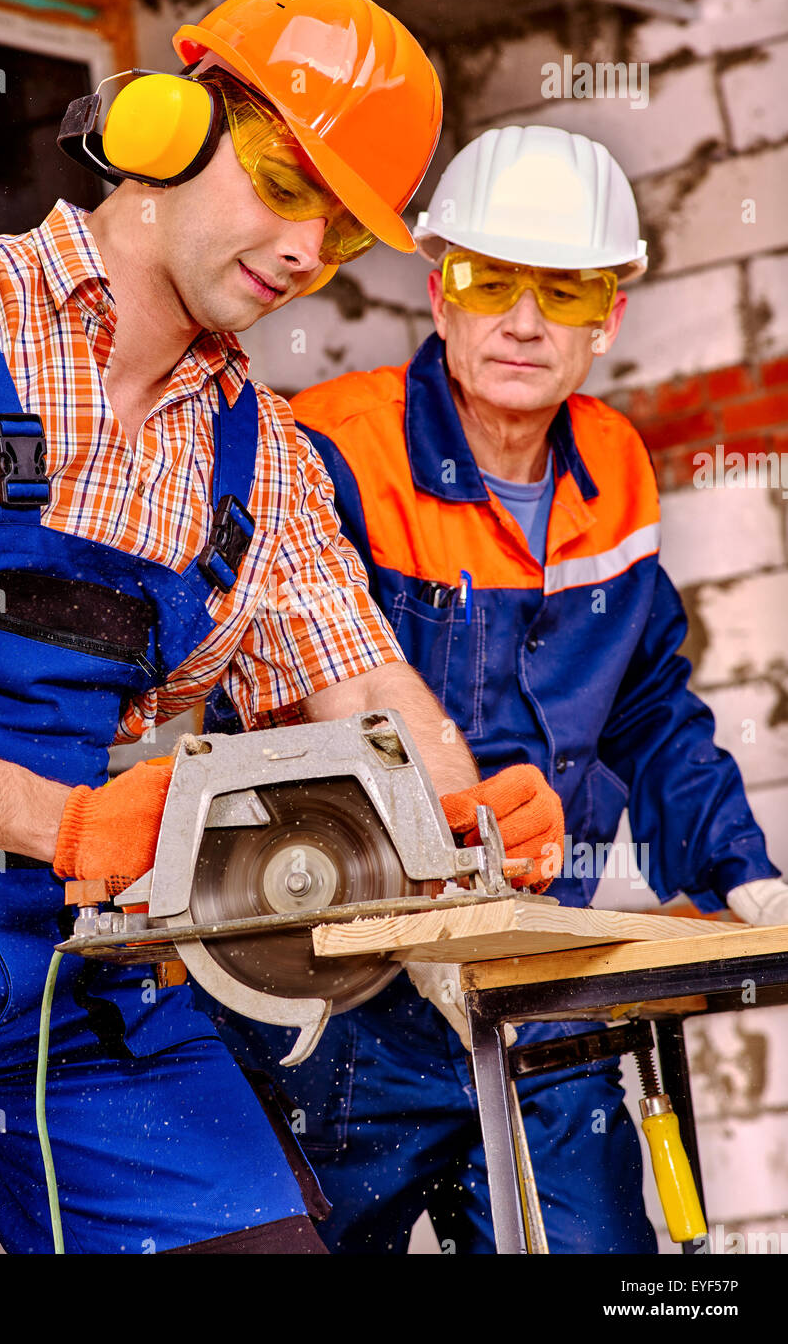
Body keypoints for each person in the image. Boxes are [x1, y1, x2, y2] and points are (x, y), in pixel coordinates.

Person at [0, 0, 560, 1257]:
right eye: (283, 188)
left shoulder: (259, 459)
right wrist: (66, 822)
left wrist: (455, 815)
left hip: (76, 970)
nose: (301, 255)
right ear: (169, 127)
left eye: (339, 232)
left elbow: (356, 680)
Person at [202, 124, 784, 1254]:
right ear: (439, 294)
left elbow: (649, 705)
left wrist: (741, 878)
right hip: (345, 1009)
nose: (524, 323)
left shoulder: (615, 470)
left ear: (610, 316)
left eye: (564, 292)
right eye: (489, 281)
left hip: (547, 991)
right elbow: (273, 705)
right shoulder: (331, 448)